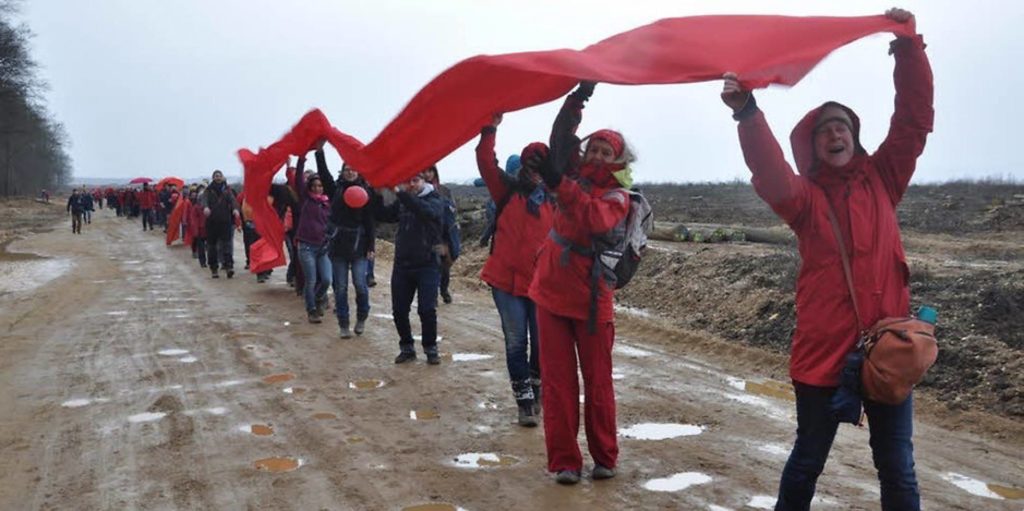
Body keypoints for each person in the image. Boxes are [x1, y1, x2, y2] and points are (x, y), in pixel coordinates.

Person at [720, 8, 930, 510]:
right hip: (823, 355)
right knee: (807, 461)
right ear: (812, 147)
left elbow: (914, 121)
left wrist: (908, 48)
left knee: (898, 470)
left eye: (842, 127)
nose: (835, 135)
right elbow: (770, 175)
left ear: (854, 136)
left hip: (887, 349)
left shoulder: (884, 179)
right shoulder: (805, 200)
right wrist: (748, 113)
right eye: (824, 131)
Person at [528, 81, 634, 485]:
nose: (598, 156)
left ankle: (605, 456)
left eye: (607, 153)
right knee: (557, 385)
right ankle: (565, 462)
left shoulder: (618, 197)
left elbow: (594, 219)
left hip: (593, 301)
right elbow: (559, 139)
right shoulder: (571, 174)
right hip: (550, 293)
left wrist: (560, 183)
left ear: (618, 161)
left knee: (598, 382)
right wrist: (578, 98)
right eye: (593, 149)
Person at [476, 113, 554, 427]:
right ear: (523, 166)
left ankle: (536, 390)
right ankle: (524, 401)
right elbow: (485, 161)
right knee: (515, 341)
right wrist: (489, 128)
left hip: (542, 284)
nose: (535, 174)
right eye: (530, 167)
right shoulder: (506, 190)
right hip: (506, 283)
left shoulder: (555, 200)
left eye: (541, 168)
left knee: (542, 344)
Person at [375, 171, 445, 365]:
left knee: (427, 309)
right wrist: (377, 194)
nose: (412, 184)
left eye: (416, 180)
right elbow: (383, 215)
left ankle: (431, 349)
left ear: (425, 181)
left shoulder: (435, 200)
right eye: (409, 181)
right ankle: (407, 347)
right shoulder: (403, 203)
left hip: (427, 264)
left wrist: (400, 192)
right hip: (402, 265)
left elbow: (424, 211)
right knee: (398, 310)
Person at [315, 149, 376, 338]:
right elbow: (323, 173)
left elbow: (370, 222)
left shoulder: (366, 191)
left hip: (359, 246)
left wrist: (371, 247)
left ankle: (362, 315)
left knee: (360, 284)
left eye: (353, 169)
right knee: (340, 287)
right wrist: (319, 151)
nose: (350, 172)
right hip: (338, 247)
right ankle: (343, 323)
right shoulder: (335, 189)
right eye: (346, 169)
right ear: (342, 172)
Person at [294, 146, 334, 323]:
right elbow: (298, 179)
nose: (318, 188)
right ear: (310, 186)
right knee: (310, 280)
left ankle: (317, 299)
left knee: (326, 280)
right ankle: (311, 311)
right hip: (306, 246)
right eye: (314, 185)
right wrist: (301, 158)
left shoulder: (328, 203)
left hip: (323, 247)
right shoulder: (306, 199)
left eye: (320, 186)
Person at [423, 166, 460, 304]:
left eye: (430, 171)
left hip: (445, 233)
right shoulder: (418, 191)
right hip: (427, 233)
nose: (427, 175)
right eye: (425, 172)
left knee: (445, 265)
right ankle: (432, 294)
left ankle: (444, 290)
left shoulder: (444, 191)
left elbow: (452, 211)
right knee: (432, 265)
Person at [201, 170, 240, 279]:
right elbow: (204, 201)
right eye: (216, 176)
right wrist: (205, 207)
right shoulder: (208, 190)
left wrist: (235, 209)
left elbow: (233, 201)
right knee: (212, 247)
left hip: (225, 221)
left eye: (219, 176)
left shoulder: (227, 190)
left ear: (222, 177)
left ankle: (229, 267)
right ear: (213, 178)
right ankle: (214, 269)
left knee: (227, 245)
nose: (218, 178)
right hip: (212, 222)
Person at [186, 188, 208, 268]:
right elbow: (193, 220)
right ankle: (203, 262)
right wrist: (195, 231)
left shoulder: (209, 207)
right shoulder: (196, 207)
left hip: (208, 229)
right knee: (201, 248)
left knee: (210, 247)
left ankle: (210, 261)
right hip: (200, 230)